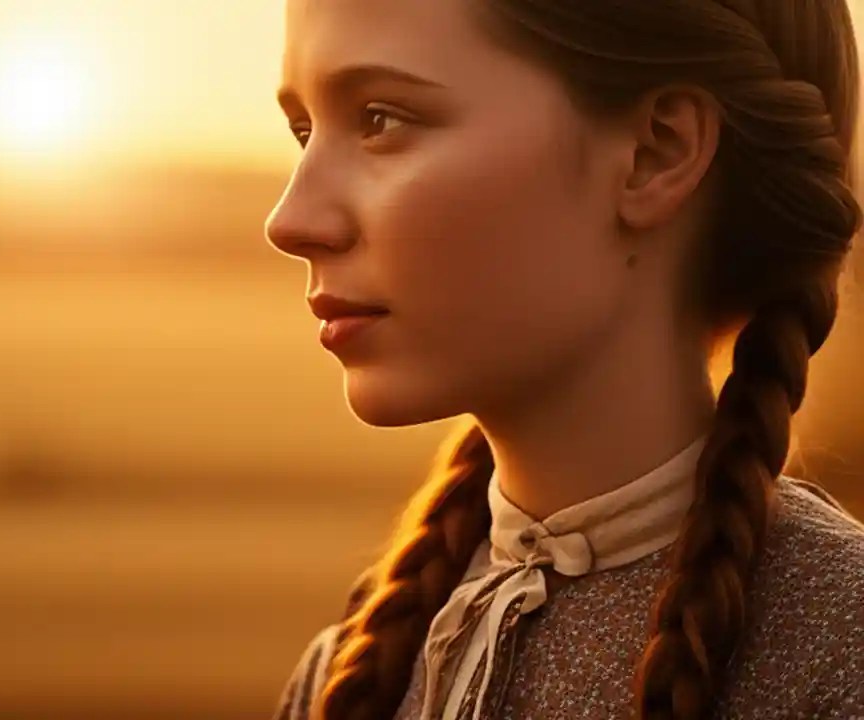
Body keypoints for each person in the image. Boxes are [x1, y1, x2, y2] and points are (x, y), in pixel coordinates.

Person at [263, 0, 864, 718]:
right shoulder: (351, 671)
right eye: (303, 131)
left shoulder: (838, 651)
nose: (290, 220)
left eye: (380, 118)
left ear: (656, 152)